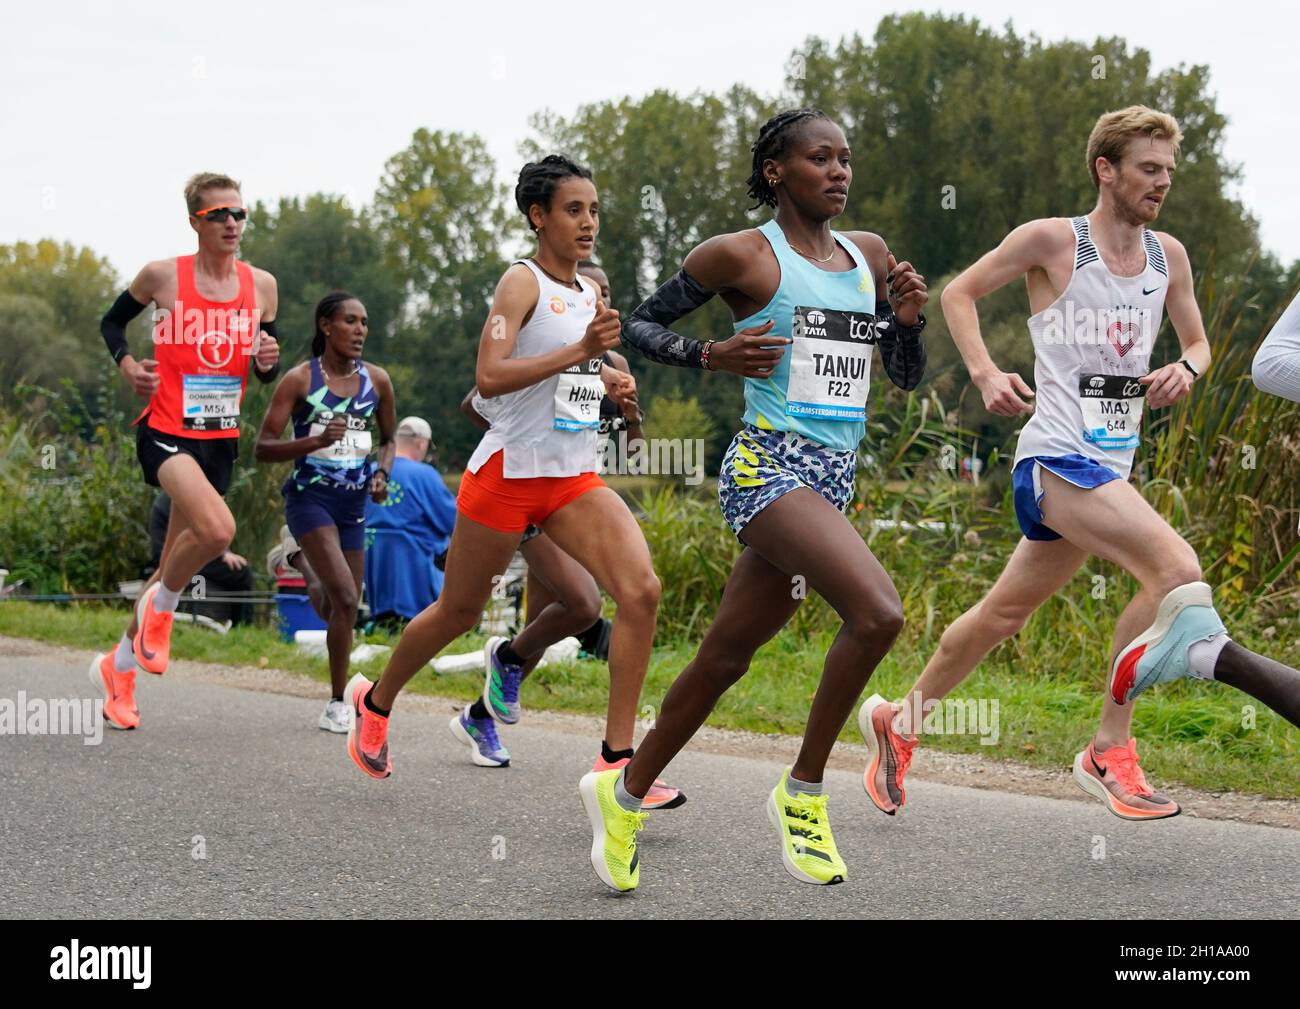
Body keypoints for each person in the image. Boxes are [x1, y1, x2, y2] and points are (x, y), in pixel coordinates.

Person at [865, 106, 1300, 824]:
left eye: (1168, 170)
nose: (1161, 183)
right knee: (1177, 570)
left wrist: (1185, 371)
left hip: (1110, 467)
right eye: (1148, 168)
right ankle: (1109, 745)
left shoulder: (1170, 258)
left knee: (1001, 614)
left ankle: (900, 720)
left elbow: (1198, 345)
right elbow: (958, 291)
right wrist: (983, 372)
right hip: (1055, 457)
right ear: (1107, 169)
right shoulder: (1052, 241)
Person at [580, 109, 928, 891]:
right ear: (777, 170)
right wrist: (714, 352)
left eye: (846, 158)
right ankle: (803, 791)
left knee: (725, 657)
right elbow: (634, 323)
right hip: (766, 469)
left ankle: (624, 790)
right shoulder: (740, 254)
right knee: (878, 612)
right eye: (819, 158)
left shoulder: (866, 255)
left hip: (834, 476)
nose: (839, 171)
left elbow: (901, 374)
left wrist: (906, 319)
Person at [343, 156, 669, 802]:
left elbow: (571, 381)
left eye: (595, 210)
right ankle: (375, 702)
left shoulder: (588, 295)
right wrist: (581, 355)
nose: (588, 222)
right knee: (458, 611)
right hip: (507, 474)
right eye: (573, 209)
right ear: (538, 216)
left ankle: (618, 766)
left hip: (571, 476)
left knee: (641, 591)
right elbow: (490, 377)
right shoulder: (520, 284)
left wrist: (611, 386)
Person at [457, 262, 681, 809]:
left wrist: (629, 414)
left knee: (554, 619)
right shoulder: (552, 338)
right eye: (591, 292)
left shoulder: (616, 361)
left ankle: (483, 706)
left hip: (576, 489)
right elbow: (476, 402)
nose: (597, 301)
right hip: (524, 485)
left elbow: (631, 449)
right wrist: (527, 443)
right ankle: (509, 682)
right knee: (580, 604)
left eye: (605, 294)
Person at [91, 172, 280, 730]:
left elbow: (266, 360)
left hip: (218, 435)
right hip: (165, 428)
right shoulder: (162, 277)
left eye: (239, 214)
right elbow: (111, 322)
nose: (231, 223)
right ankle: (164, 615)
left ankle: (118, 669)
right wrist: (128, 366)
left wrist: (267, 357)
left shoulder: (261, 285)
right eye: (219, 214)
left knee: (170, 565)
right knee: (218, 531)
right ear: (196, 221)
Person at [255, 292, 396, 732]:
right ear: (326, 326)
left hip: (353, 502)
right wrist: (313, 442)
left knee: (342, 608)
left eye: (364, 322)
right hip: (309, 498)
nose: (359, 331)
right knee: (349, 598)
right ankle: (337, 701)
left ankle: (296, 561)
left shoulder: (378, 381)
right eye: (349, 321)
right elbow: (262, 447)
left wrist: (382, 475)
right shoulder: (300, 381)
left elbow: (389, 439)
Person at [362, 416, 458, 622]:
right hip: (413, 562)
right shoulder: (424, 474)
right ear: (421, 443)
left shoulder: (370, 472)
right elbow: (453, 520)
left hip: (372, 557)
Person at [147, 494, 253, 627]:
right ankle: (242, 624)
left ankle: (241, 625)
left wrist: (225, 552)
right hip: (177, 559)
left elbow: (213, 531)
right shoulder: (175, 502)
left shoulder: (190, 498)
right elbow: (193, 535)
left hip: (196, 554)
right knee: (240, 574)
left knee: (239, 568)